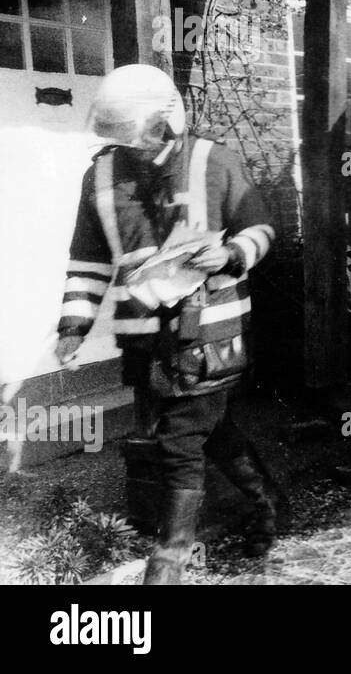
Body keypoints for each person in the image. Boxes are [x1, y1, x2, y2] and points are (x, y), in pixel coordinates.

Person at [54, 64, 281, 584]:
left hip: (209, 333)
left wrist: (228, 255)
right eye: (123, 136)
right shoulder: (102, 173)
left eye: (140, 134)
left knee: (180, 443)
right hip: (143, 334)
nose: (132, 147)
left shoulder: (213, 160)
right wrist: (74, 325)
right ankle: (268, 504)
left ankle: (170, 559)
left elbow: (261, 227)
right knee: (204, 432)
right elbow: (87, 259)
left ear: (166, 122)